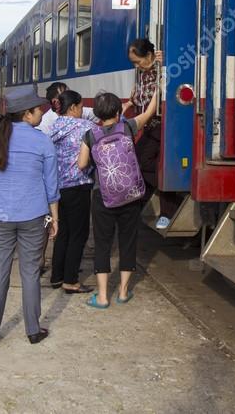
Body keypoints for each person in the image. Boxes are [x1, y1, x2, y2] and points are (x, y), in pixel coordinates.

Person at [0, 85, 59, 345]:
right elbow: (51, 186)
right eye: (38, 109)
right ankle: (33, 331)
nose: (41, 113)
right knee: (30, 272)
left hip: (0, 215)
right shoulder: (43, 141)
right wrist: (54, 217)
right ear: (26, 114)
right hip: (34, 216)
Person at [79, 89, 159, 309]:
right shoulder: (127, 127)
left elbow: (82, 164)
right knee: (128, 241)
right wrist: (158, 86)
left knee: (103, 244)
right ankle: (123, 292)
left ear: (96, 114)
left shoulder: (90, 136)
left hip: (103, 197)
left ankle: (103, 297)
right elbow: (150, 111)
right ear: (117, 112)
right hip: (130, 195)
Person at [47, 90, 95, 293]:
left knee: (63, 231)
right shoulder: (86, 127)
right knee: (79, 233)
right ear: (74, 107)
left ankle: (57, 276)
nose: (82, 110)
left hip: (57, 188)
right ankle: (70, 279)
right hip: (78, 185)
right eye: (81, 106)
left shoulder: (53, 126)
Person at [124, 39, 174, 229]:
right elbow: (138, 97)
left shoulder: (162, 66)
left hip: (163, 124)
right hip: (150, 126)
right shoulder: (141, 73)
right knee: (143, 162)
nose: (137, 66)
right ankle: (161, 188)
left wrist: (165, 61)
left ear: (150, 55)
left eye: (138, 61)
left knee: (156, 164)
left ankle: (167, 211)